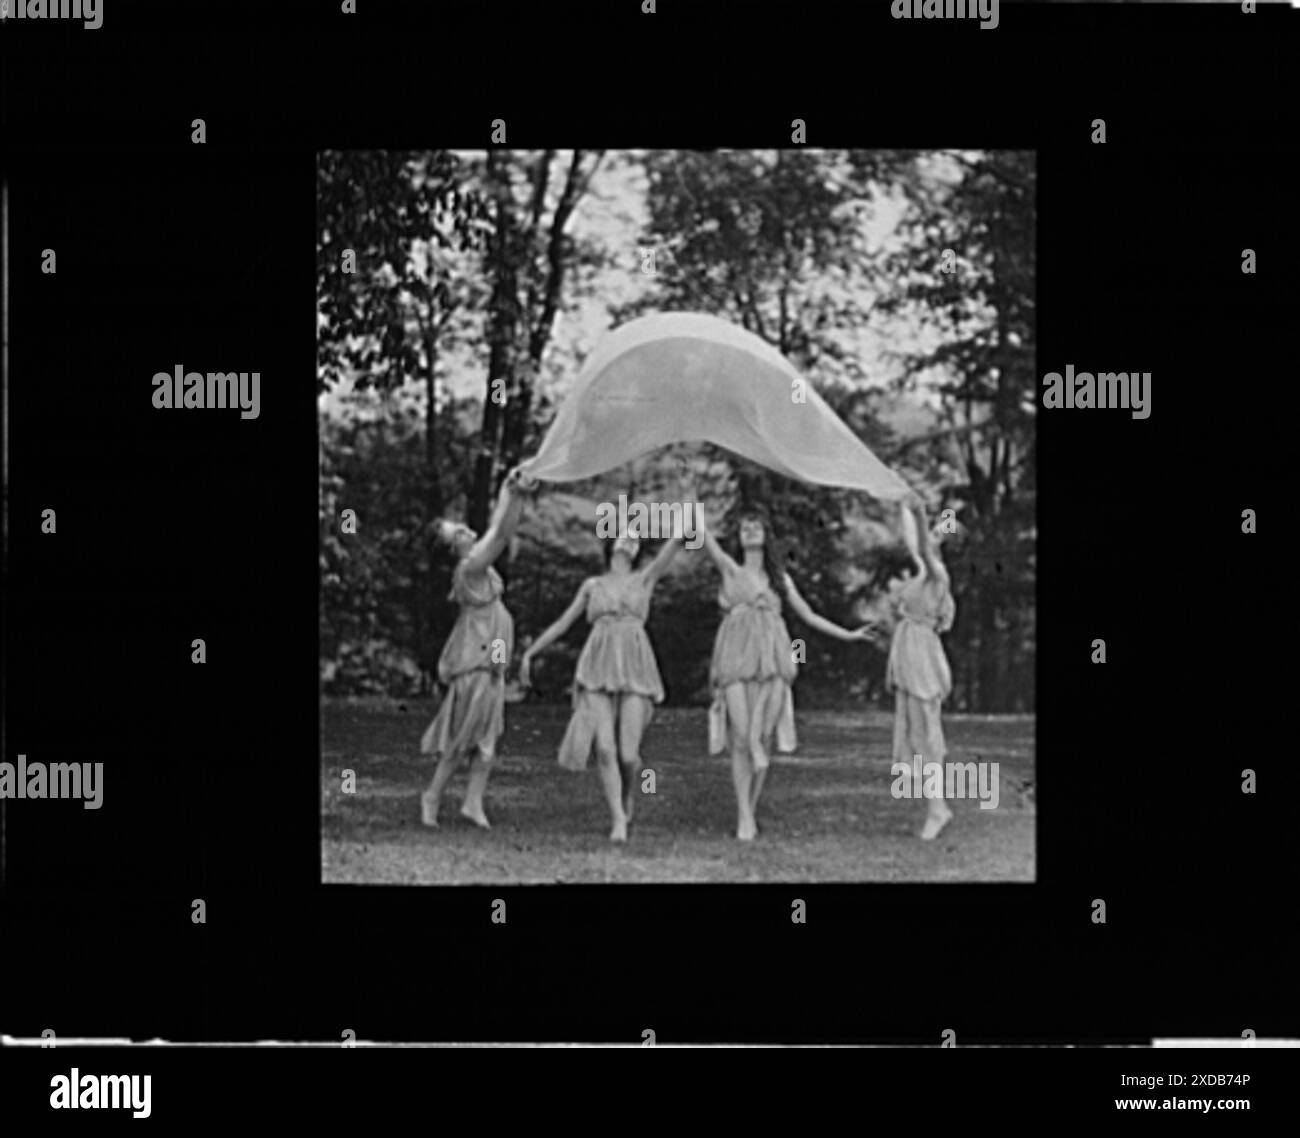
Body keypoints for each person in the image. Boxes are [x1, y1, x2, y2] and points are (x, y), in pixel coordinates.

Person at [698, 504, 871, 841]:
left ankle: (750, 808)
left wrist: (848, 634)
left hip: (774, 657)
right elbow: (702, 535)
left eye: (756, 527)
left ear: (766, 537)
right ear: (738, 537)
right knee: (741, 735)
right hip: (735, 656)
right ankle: (744, 816)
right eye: (744, 527)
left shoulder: (780, 581)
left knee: (762, 737)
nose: (749, 530)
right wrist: (689, 494)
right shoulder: (730, 570)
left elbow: (808, 615)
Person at [520, 516, 684, 842]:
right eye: (624, 535)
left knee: (628, 755)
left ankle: (629, 794)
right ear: (610, 542)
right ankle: (618, 819)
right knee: (605, 750)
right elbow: (563, 623)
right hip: (596, 665)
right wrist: (530, 653)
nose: (629, 540)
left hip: (635, 665)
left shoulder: (645, 579)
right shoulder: (592, 585)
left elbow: (679, 539)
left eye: (635, 538)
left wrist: (689, 496)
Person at [419, 467, 538, 829]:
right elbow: (501, 535)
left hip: (492, 660)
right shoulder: (470, 569)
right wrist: (514, 494)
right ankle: (432, 797)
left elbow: (497, 531)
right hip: (475, 664)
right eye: (458, 532)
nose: (467, 531)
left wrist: (511, 493)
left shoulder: (479, 568)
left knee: (487, 741)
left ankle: (473, 803)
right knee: (462, 738)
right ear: (454, 548)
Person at [863, 501, 957, 841]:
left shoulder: (938, 575)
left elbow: (925, 548)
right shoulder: (922, 572)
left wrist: (920, 516)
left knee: (925, 733)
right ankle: (937, 807)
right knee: (916, 733)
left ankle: (938, 808)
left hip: (922, 656)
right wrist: (903, 498)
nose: (927, 538)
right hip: (910, 652)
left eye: (935, 534)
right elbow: (914, 542)